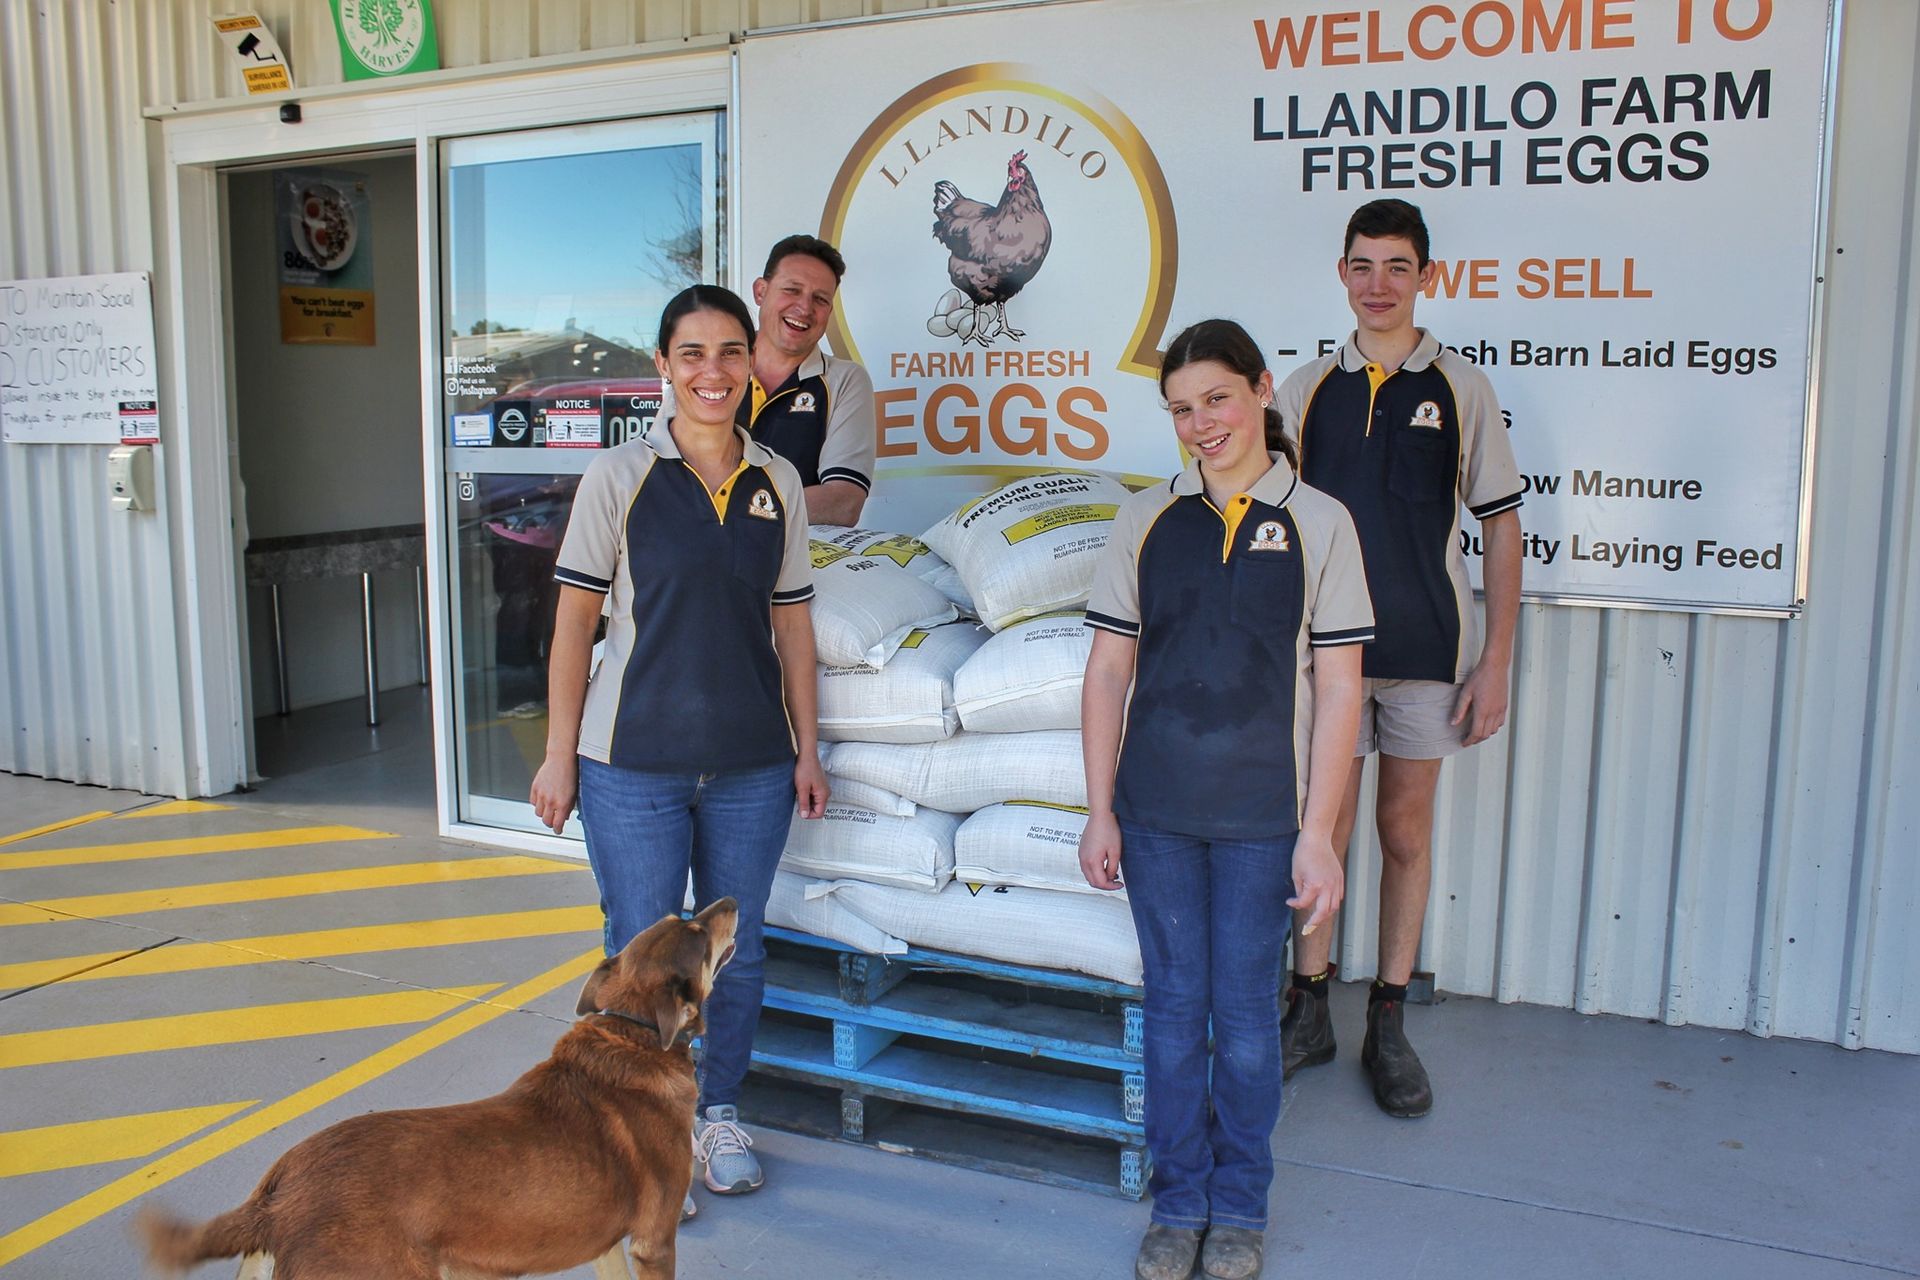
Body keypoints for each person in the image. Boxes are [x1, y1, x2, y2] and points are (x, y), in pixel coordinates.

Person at [1080, 319, 1372, 1280]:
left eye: (1216, 399)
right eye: (1180, 410)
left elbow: (1339, 688)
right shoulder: (1147, 519)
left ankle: (1240, 1209)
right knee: (1172, 1012)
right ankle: (1179, 1205)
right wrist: (1099, 807)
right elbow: (1109, 668)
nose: (1201, 424)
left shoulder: (1321, 522)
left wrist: (1320, 835)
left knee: (1247, 1021)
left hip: (1263, 824)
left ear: (1260, 394)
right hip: (1157, 813)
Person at [530, 284, 830, 1207]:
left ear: (751, 365)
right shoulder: (618, 479)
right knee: (637, 954)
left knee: (737, 953)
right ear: (663, 366)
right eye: (692, 353)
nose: (713, 371)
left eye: (730, 352)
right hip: (631, 766)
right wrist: (558, 753)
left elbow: (793, 627)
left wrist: (807, 750)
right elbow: (575, 624)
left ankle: (720, 1113)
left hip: (750, 763)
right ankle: (639, 1139)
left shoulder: (776, 481)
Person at [1273, 198, 1525, 1119]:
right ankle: (1309, 1002)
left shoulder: (1459, 388)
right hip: (1325, 658)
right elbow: (1274, 522)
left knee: (1403, 832)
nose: (1379, 284)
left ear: (1428, 276)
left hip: (1425, 650)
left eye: (1397, 266)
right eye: (1362, 265)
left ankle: (1388, 1013)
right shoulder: (1302, 391)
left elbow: (1501, 527)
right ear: (1341, 273)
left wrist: (1495, 659)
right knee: (1323, 832)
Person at [659, 235, 876, 525]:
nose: (804, 308)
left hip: (798, 561)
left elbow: (843, 502)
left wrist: (724, 515)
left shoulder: (845, 381)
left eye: (820, 299)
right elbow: (660, 476)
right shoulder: (707, 373)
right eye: (792, 290)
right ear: (761, 291)